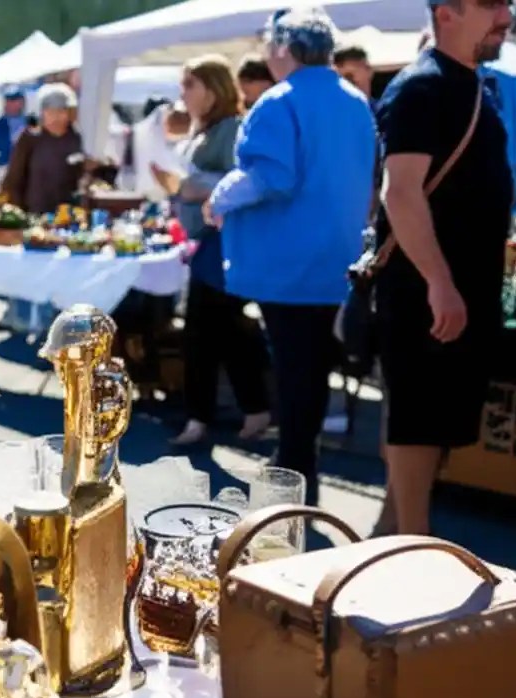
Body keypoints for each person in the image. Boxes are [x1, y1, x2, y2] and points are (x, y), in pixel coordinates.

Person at [207, 8, 376, 508]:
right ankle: (300, 471)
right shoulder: (356, 100)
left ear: (284, 48)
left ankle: (292, 479)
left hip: (289, 263)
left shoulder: (280, 101)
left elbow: (269, 176)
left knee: (294, 370)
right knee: (311, 370)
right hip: (336, 258)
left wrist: (218, 198)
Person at [373, 0, 513, 535]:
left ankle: (390, 532)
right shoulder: (421, 87)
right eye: (490, 4)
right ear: (447, 12)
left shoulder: (478, 85)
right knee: (418, 417)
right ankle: (413, 544)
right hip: (425, 289)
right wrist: (439, 282)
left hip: (459, 287)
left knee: (437, 419)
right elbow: (401, 192)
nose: (505, 15)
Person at [154, 55, 271, 445]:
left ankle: (200, 419)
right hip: (206, 244)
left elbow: (244, 180)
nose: (183, 93)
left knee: (203, 335)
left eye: (190, 84)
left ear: (212, 87)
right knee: (225, 333)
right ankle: (253, 411)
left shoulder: (233, 129)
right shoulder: (206, 131)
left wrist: (192, 185)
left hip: (222, 244)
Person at [1, 83, 83, 214]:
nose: (56, 117)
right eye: (51, 112)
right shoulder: (30, 138)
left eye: (61, 112)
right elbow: (13, 179)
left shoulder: (75, 138)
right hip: (35, 213)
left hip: (67, 214)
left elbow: (80, 175)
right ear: (42, 113)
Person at [0, 88, 27, 166]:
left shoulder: (30, 121)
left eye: (14, 100)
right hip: (6, 166)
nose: (10, 104)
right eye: (8, 100)